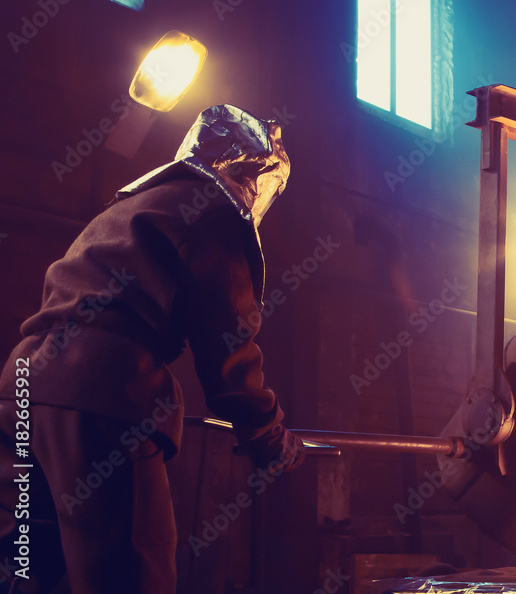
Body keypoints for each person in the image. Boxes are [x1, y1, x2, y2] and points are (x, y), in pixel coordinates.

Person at [0, 104, 306, 593]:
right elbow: (227, 342)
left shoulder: (130, 208)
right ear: (255, 175)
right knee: (130, 574)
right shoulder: (212, 213)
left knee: (30, 569)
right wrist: (267, 434)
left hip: (23, 387)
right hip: (100, 394)